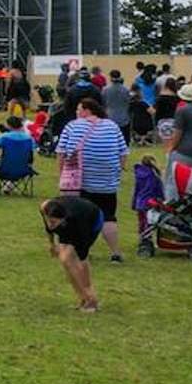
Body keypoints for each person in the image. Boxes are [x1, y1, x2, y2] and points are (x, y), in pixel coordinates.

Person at [56, 99, 128, 262]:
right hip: (107, 179)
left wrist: (62, 175)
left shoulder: (72, 126)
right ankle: (115, 252)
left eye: (78, 109)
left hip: (79, 180)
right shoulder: (112, 126)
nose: (76, 113)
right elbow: (123, 153)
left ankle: (80, 250)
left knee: (79, 216)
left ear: (87, 111)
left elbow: (61, 153)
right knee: (108, 215)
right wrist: (118, 170)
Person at [39, 197, 102, 312]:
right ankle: (82, 298)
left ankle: (91, 300)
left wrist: (88, 289)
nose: (50, 224)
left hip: (92, 220)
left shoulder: (79, 223)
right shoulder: (45, 207)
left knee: (75, 260)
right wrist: (52, 244)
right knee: (64, 260)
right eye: (49, 219)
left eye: (53, 222)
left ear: (63, 219)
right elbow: (48, 227)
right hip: (69, 220)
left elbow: (83, 257)